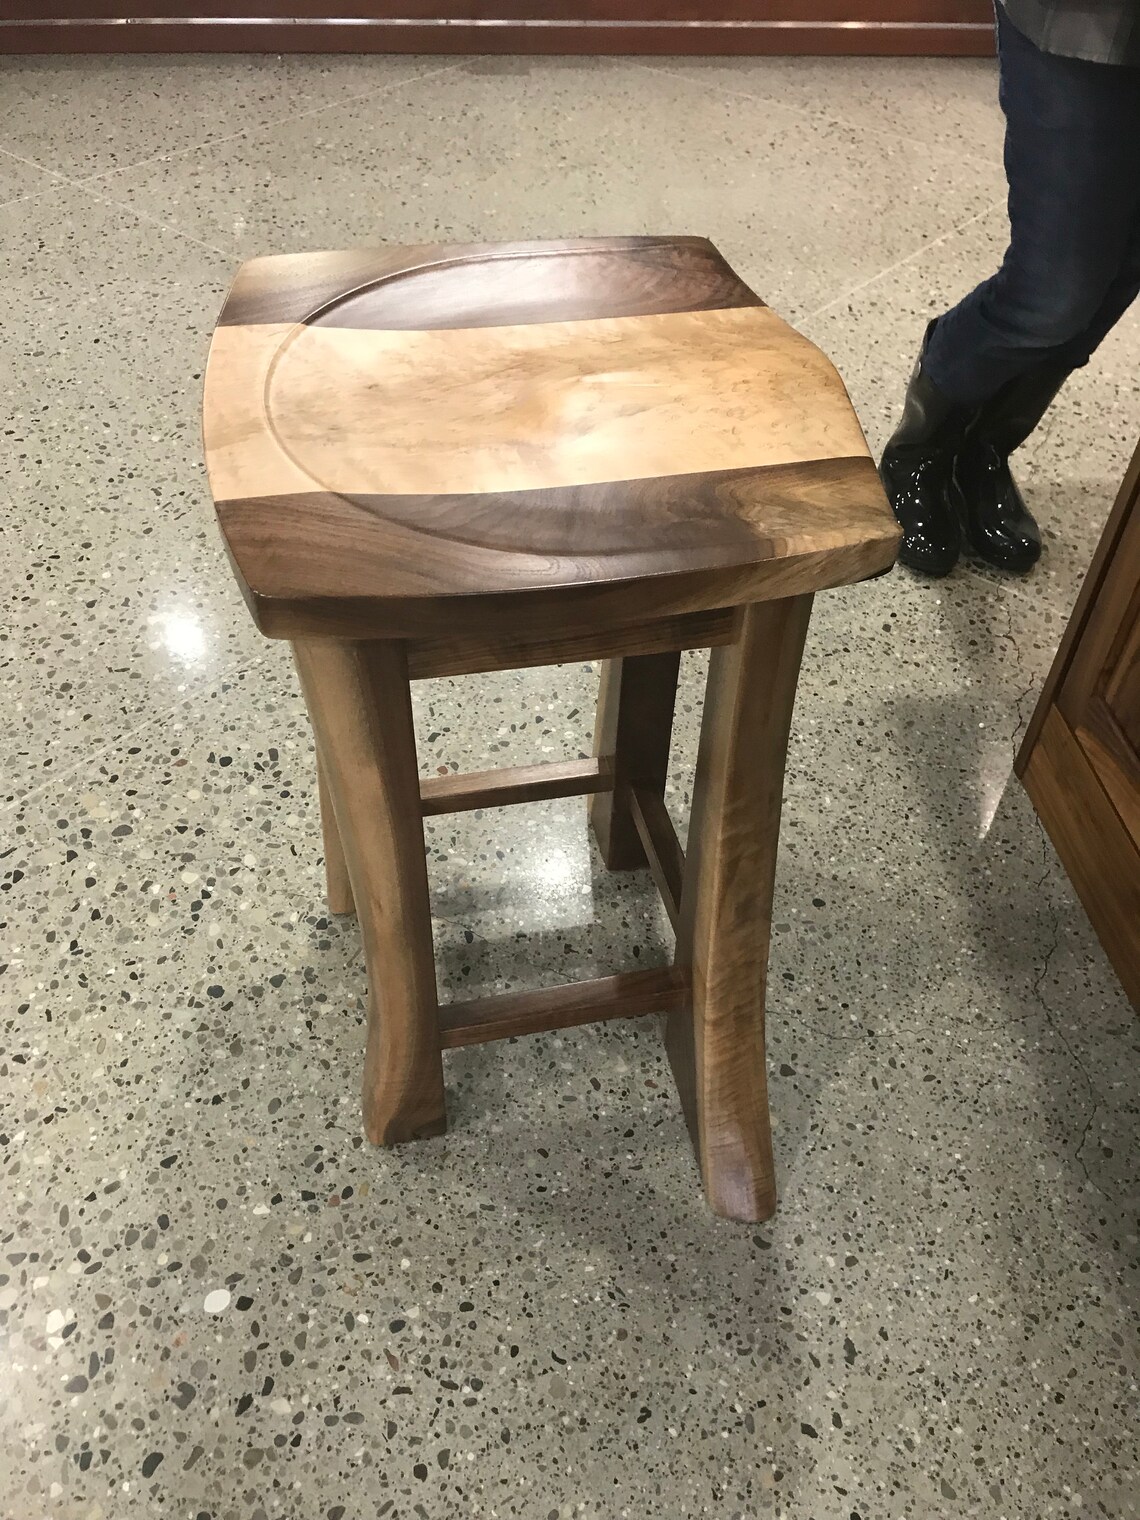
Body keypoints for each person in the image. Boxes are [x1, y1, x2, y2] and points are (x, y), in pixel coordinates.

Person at [880, 0, 1140, 577]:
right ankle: (919, 451)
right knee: (1051, 293)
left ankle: (983, 450)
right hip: (1086, 21)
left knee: (1116, 276)